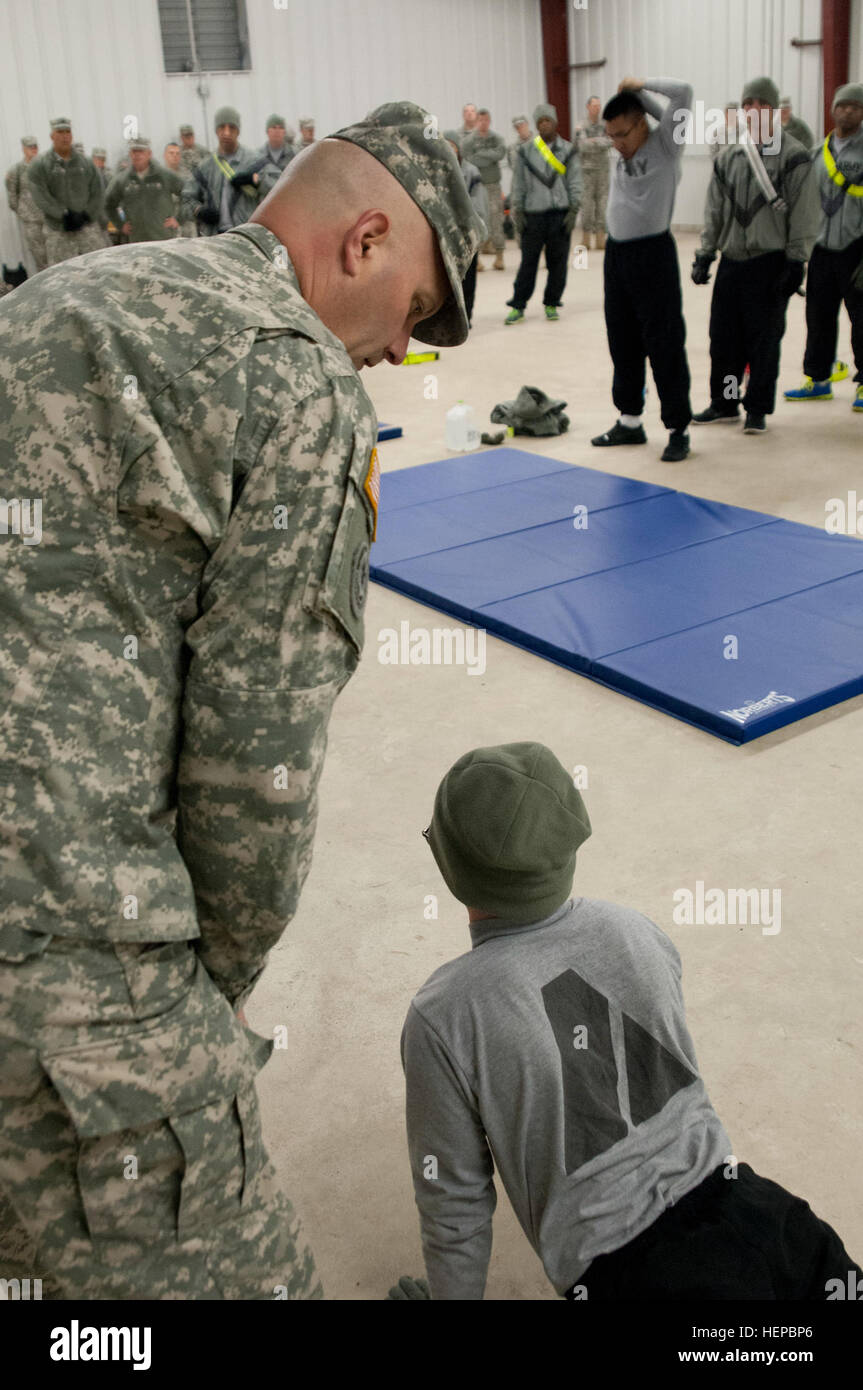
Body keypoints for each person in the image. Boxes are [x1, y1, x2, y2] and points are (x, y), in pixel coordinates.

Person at [0, 99, 482, 1301]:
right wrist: (186, 1017)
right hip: (71, 976)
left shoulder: (66, 297)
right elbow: (250, 775)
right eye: (411, 316)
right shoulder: (296, 378)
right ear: (363, 242)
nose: (392, 354)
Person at [399, 741, 863, 1300]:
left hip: (635, 1278)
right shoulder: (637, 931)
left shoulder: (444, 1014)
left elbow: (454, 1203)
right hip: (763, 1217)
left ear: (450, 868)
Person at [691, 77, 820, 434]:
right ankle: (726, 402)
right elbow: (714, 209)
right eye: (748, 104)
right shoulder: (730, 155)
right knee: (725, 339)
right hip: (732, 261)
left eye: (761, 104)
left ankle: (757, 408)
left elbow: (804, 212)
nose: (752, 110)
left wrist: (797, 260)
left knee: (763, 342)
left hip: (770, 261)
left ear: (775, 111)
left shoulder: (794, 156)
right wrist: (705, 253)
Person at [592, 77, 694, 462]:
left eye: (621, 134)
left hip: (654, 256)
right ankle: (630, 421)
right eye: (610, 136)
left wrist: (641, 87)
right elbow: (628, 125)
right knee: (622, 341)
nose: (616, 144)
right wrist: (630, 102)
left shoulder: (667, 146)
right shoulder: (622, 151)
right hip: (617, 257)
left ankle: (678, 427)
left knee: (664, 342)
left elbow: (682, 95)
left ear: (642, 124)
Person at [783, 83, 863, 413]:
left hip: (857, 249)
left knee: (862, 317)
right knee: (818, 317)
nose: (847, 111)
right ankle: (818, 380)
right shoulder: (818, 153)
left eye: (855, 106)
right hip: (821, 249)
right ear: (832, 110)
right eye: (842, 106)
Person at [505, 102, 581, 324]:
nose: (545, 124)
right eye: (540, 122)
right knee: (528, 263)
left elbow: (575, 181)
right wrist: (517, 211)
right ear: (537, 126)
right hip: (533, 215)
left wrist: (574, 209)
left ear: (555, 123)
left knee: (558, 263)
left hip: (560, 215)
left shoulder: (568, 151)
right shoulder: (525, 152)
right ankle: (518, 304)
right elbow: (518, 183)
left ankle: (552, 303)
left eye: (548, 120)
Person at [26, 117, 105, 266]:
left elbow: (97, 191)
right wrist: (63, 214)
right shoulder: (40, 165)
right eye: (60, 132)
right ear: (52, 136)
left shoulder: (85, 163)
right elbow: (40, 196)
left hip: (87, 227)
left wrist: (88, 215)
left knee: (99, 267)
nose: (65, 136)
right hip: (58, 230)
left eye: (67, 131)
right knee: (61, 274)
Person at [181, 105, 268, 236]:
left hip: (247, 237)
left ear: (238, 131)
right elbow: (186, 199)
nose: (226, 132)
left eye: (231, 128)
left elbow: (279, 187)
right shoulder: (205, 167)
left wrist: (255, 180)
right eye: (222, 127)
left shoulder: (255, 162)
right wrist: (199, 211)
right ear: (216, 131)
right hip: (215, 239)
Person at [104, 136, 185, 243]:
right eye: (134, 151)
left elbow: (188, 194)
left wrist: (178, 219)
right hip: (137, 241)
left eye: (141, 151)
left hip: (164, 239)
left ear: (149, 154)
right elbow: (107, 204)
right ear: (130, 154)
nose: (137, 155)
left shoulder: (164, 175)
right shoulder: (122, 180)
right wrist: (120, 225)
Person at [445, 129, 488, 325]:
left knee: (468, 278)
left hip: (467, 233)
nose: (449, 149)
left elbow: (478, 203)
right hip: (446, 235)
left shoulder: (471, 171)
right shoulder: (436, 171)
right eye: (446, 146)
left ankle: (466, 317)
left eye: (452, 146)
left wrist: (476, 229)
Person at [463, 109, 507, 269]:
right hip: (476, 186)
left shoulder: (496, 138)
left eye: (486, 120)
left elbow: (500, 153)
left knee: (496, 219)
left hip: (493, 185)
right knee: (478, 220)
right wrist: (488, 157)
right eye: (480, 120)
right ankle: (477, 259)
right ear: (476, 121)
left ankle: (500, 256)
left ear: (489, 121)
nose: (483, 123)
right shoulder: (469, 140)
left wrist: (480, 155)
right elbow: (468, 158)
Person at [4, 136, 47, 272]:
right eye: (30, 147)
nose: (33, 150)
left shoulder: (45, 166)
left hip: (49, 217)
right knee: (39, 255)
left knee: (55, 252)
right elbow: (12, 194)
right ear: (23, 149)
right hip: (31, 220)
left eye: (35, 147)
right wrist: (22, 212)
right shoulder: (16, 170)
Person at [574, 95, 612, 249]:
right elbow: (581, 145)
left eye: (599, 105)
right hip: (587, 171)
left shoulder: (606, 125)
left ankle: (601, 238)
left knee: (602, 205)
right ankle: (586, 238)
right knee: (587, 205)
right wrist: (599, 141)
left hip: (602, 170)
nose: (597, 108)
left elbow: (610, 141)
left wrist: (593, 141)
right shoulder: (581, 126)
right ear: (588, 107)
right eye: (594, 105)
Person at [163, 142, 198, 236]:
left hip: (186, 224)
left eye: (177, 153)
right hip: (167, 225)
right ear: (165, 155)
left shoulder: (188, 176)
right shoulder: (160, 176)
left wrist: (178, 220)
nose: (175, 156)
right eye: (171, 153)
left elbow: (191, 200)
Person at [259, 114, 294, 186]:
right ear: (267, 131)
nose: (277, 131)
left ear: (284, 132)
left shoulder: (294, 154)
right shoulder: (257, 156)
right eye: (274, 127)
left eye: (280, 128)